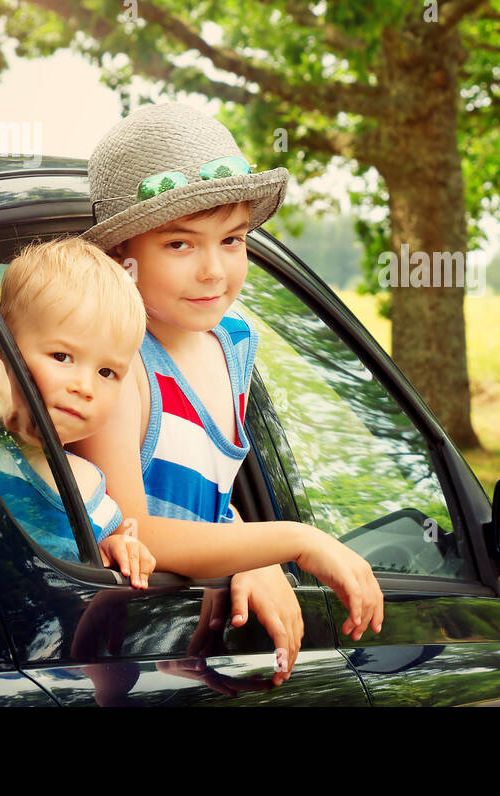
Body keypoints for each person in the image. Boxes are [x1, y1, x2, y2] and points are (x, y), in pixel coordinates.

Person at [71, 102, 383, 684]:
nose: (214, 271)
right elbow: (136, 530)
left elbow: (202, 494)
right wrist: (290, 542)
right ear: (122, 256)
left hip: (188, 649)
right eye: (180, 245)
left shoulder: (232, 341)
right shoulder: (123, 367)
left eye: (233, 240)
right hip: (127, 654)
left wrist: (244, 547)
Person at [0, 237, 157, 588]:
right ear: (0, 346)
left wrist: (116, 548)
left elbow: (93, 559)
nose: (85, 386)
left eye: (106, 372)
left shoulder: (93, 490)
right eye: (62, 357)